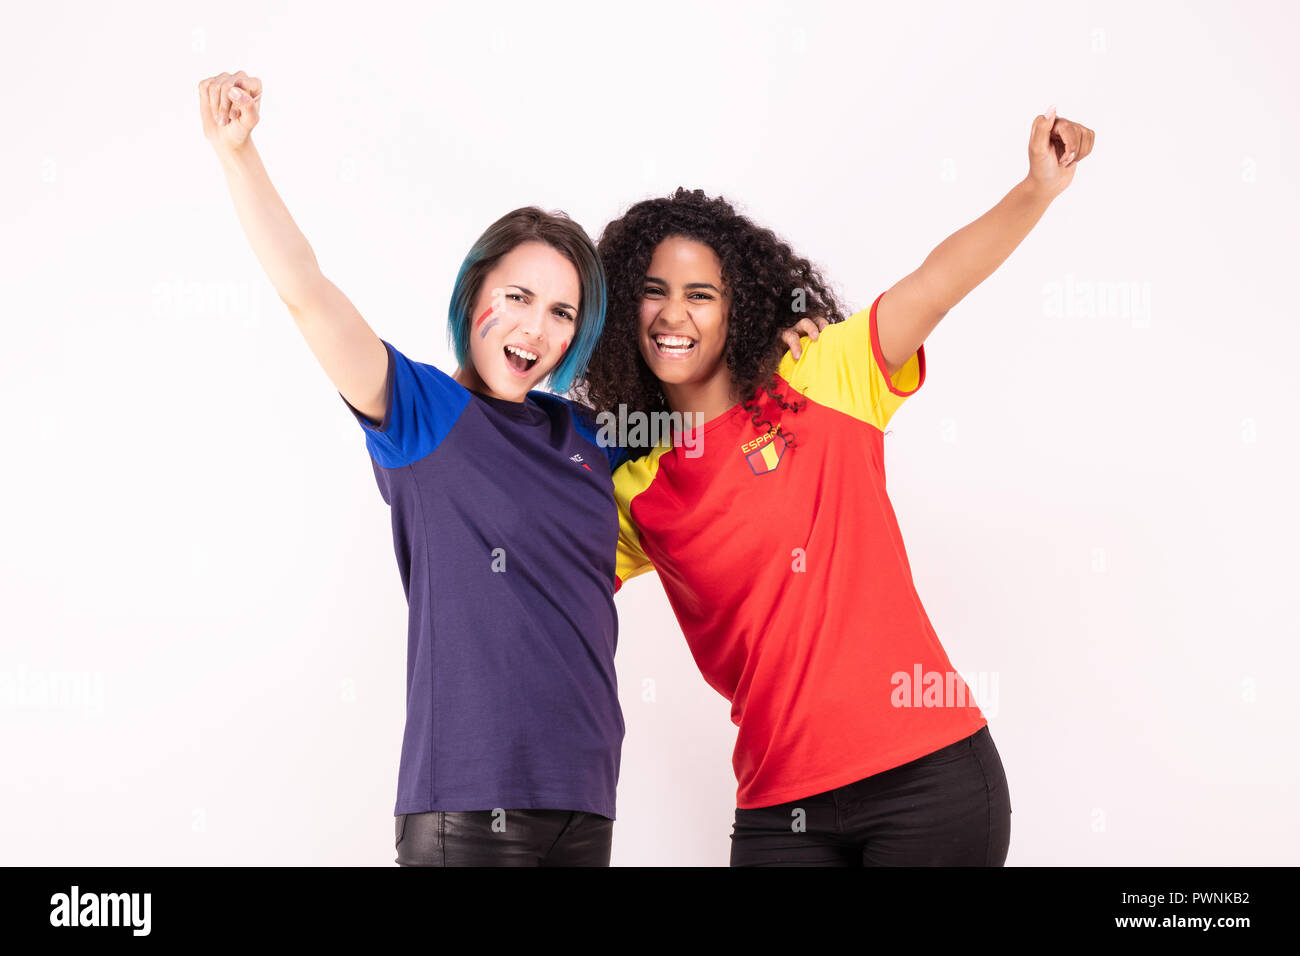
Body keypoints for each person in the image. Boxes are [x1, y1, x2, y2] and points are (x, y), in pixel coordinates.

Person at [580, 107, 1095, 865]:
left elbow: (938, 284)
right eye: (654, 292)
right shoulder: (636, 487)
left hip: (931, 780)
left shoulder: (823, 375)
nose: (673, 315)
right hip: (778, 805)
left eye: (701, 294)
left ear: (739, 306)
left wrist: (1035, 189)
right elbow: (546, 578)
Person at [199, 70, 630, 866]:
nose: (537, 327)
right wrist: (239, 155)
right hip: (470, 809)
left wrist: (787, 335)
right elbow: (305, 291)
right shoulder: (425, 417)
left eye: (562, 312)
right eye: (519, 296)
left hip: (586, 798)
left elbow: (706, 402)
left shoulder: (588, 435)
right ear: (475, 296)